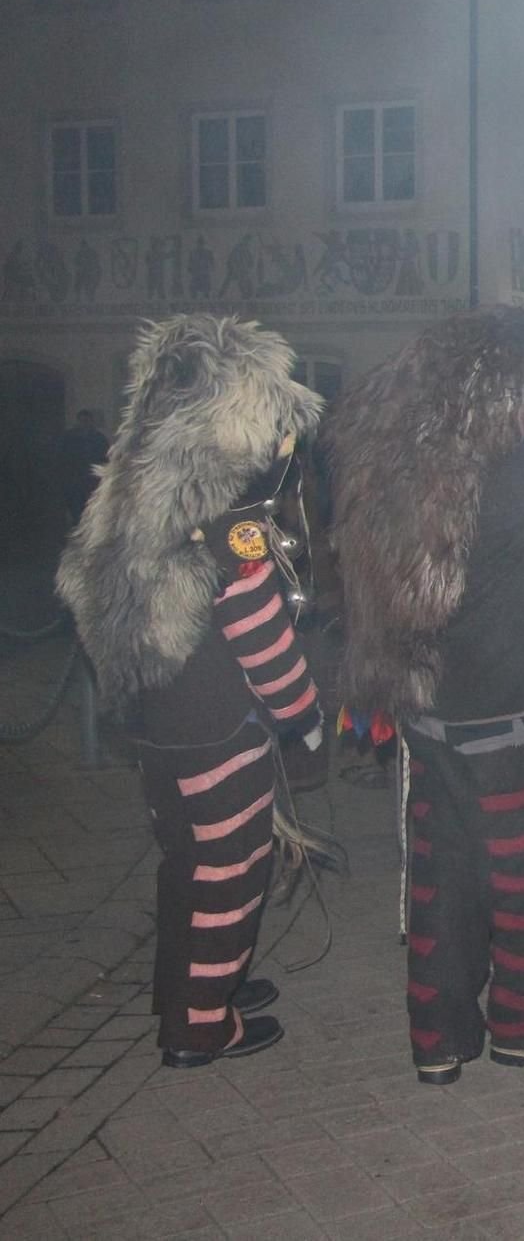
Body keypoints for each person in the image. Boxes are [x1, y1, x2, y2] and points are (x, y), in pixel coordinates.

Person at [330, 306, 524, 1084]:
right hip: (506, 713)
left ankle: (439, 1036)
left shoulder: (398, 469)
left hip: (428, 707)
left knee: (446, 880)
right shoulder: (513, 472)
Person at [57, 315, 325, 1068]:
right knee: (230, 872)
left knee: (183, 862)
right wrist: (303, 714)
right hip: (218, 730)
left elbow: (87, 596)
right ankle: (202, 1023)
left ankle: (184, 989)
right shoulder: (231, 525)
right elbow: (263, 638)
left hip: (154, 726)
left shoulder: (126, 504)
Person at [55, 408, 109, 525]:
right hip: (74, 477)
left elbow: (105, 457)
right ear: (78, 421)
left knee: (92, 504)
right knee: (76, 505)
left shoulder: (98, 438)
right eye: (82, 421)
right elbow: (61, 456)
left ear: (91, 421)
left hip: (92, 478)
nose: (85, 424)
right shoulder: (69, 437)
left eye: (87, 421)